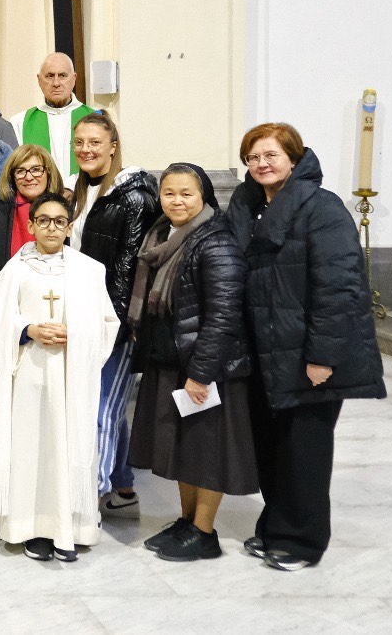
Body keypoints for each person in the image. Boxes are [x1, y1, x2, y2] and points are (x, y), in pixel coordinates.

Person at [226, 123, 386, 571]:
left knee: (305, 451)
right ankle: (275, 526)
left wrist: (323, 357)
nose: (261, 164)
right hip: (264, 350)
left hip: (306, 354)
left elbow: (340, 288)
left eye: (270, 155)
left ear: (293, 159)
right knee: (271, 445)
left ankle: (302, 540)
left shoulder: (322, 208)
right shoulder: (248, 206)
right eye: (253, 157)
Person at [128, 164, 258, 562]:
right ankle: (187, 521)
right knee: (184, 450)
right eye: (169, 193)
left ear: (203, 195)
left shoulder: (215, 241)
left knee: (206, 452)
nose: (177, 201)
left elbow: (224, 314)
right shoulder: (161, 236)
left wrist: (201, 374)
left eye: (186, 193)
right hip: (171, 359)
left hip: (205, 367)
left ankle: (204, 532)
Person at [0, 192, 120, 562]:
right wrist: (28, 329)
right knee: (33, 449)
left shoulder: (89, 270)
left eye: (59, 221)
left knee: (69, 446)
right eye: (43, 220)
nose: (50, 227)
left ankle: (71, 527)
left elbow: (109, 322)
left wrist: (77, 334)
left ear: (69, 226)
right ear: (30, 225)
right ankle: (32, 528)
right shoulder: (15, 269)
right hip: (29, 373)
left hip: (71, 374)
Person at [68, 112, 159, 515]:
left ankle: (90, 496)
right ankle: (121, 485)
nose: (86, 150)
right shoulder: (81, 188)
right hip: (85, 313)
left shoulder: (134, 197)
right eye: (79, 142)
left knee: (101, 406)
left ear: (113, 147)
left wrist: (118, 328)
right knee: (109, 405)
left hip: (115, 322)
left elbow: (129, 268)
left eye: (94, 142)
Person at [0, 145, 65, 272]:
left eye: (36, 169)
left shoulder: (64, 212)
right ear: (12, 177)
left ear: (48, 172)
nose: (28, 177)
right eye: (20, 171)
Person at [19, 53, 95, 185]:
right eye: (49, 76)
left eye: (62, 75)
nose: (56, 83)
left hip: (85, 197)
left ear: (74, 78)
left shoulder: (95, 118)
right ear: (39, 79)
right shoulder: (20, 121)